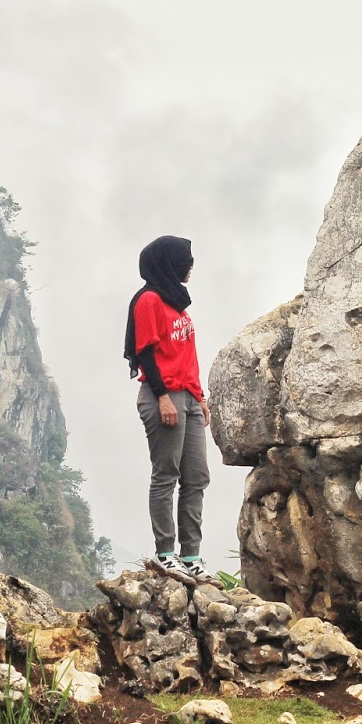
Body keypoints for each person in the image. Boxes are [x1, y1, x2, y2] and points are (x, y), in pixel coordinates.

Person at [123, 235, 221, 587]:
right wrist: (164, 396)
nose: (189, 266)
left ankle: (191, 557)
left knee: (197, 476)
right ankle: (166, 554)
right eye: (185, 260)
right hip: (162, 395)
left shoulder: (177, 303)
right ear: (167, 263)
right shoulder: (149, 300)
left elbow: (186, 356)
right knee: (166, 474)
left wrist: (200, 397)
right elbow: (145, 351)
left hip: (189, 397)